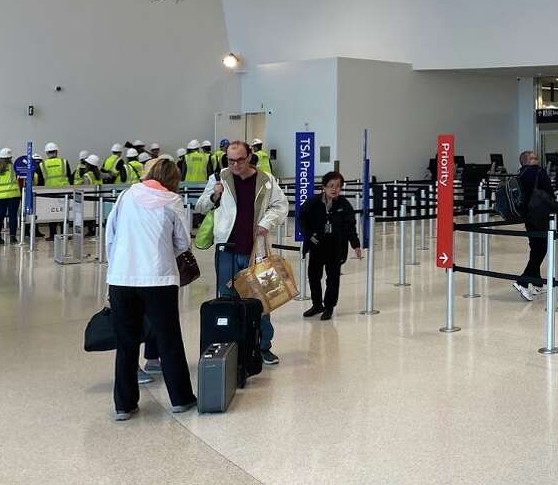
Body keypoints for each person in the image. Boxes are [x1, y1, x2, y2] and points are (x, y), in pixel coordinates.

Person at [104, 157, 196, 421]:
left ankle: (124, 405)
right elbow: (183, 241)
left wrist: (116, 268)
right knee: (169, 340)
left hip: (122, 278)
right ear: (173, 180)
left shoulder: (125, 196)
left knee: (126, 344)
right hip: (159, 279)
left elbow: (110, 234)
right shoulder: (172, 201)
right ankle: (180, 399)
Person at [195, 140, 288, 366]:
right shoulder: (219, 178)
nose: (235, 165)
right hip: (227, 249)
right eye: (230, 160)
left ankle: (263, 346)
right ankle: (228, 345)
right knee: (226, 299)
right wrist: (214, 196)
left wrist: (267, 222)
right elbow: (200, 206)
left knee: (261, 300)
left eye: (239, 160)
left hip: (256, 250)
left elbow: (280, 206)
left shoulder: (266, 181)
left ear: (249, 158)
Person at [300, 171, 363, 320]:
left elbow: (350, 227)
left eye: (338, 186)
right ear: (324, 187)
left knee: (333, 278)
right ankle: (317, 305)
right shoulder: (313, 202)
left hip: (336, 247)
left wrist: (356, 245)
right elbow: (302, 219)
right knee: (314, 276)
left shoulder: (344, 204)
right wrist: (310, 236)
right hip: (317, 246)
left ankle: (329, 307)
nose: (334, 189)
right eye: (331, 186)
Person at [512, 150, 557, 301]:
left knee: (535, 247)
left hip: (527, 215)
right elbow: (549, 193)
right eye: (533, 158)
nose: (536, 160)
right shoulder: (540, 173)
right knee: (541, 248)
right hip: (540, 214)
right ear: (526, 160)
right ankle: (522, 282)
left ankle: (537, 283)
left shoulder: (520, 174)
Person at [0, 147, 21, 244]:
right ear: (10, 158)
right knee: (12, 216)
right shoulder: (14, 168)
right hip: (13, 195)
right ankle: (12, 237)